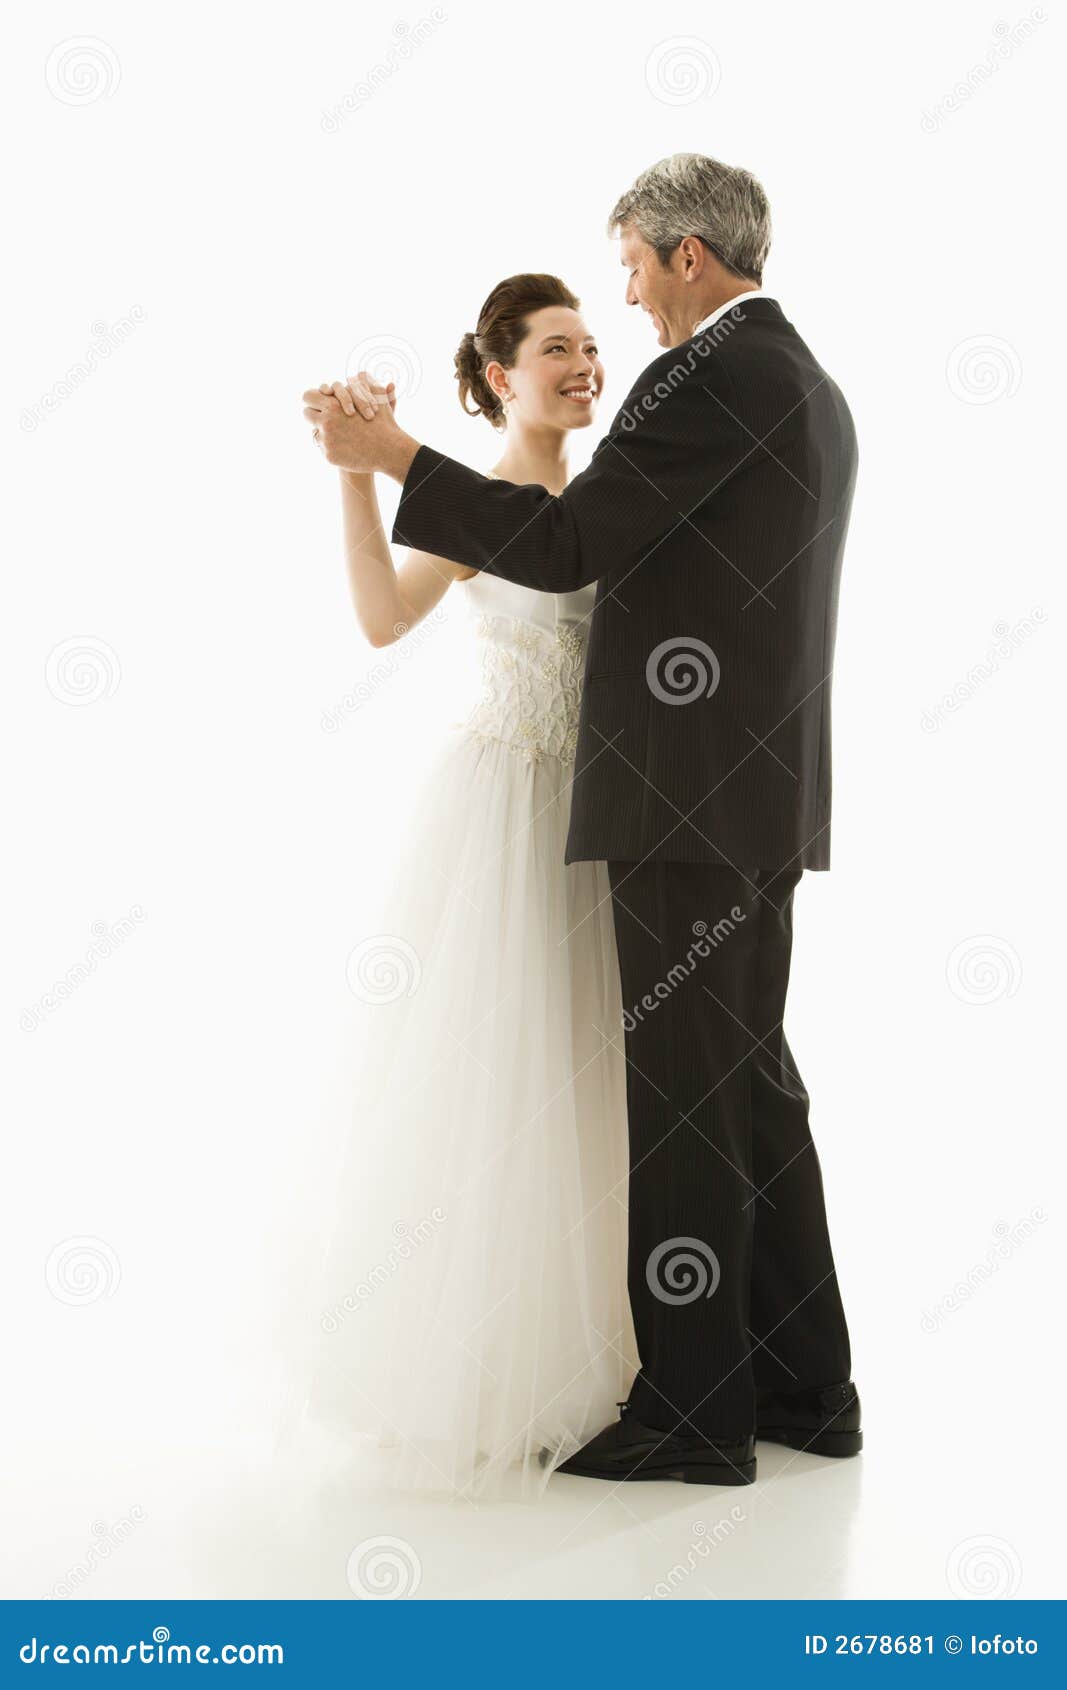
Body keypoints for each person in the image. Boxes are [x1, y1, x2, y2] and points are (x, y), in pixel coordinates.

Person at [302, 153, 863, 1486]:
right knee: (748, 1090)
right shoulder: (804, 381)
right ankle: (802, 1387)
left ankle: (691, 1414)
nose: (624, 301)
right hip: (750, 798)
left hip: (683, 804)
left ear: (685, 255)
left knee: (685, 1107)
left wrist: (392, 456)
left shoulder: (708, 375)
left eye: (630, 267)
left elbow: (565, 547)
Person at [294, 273, 637, 1502]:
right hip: (507, 809)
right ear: (501, 376)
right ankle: (492, 1369)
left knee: (594, 1071)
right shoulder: (474, 503)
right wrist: (353, 474)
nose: (584, 364)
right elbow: (383, 620)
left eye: (591, 344)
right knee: (504, 1068)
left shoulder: (612, 490)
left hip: (605, 818)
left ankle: (609, 1355)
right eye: (557, 349)